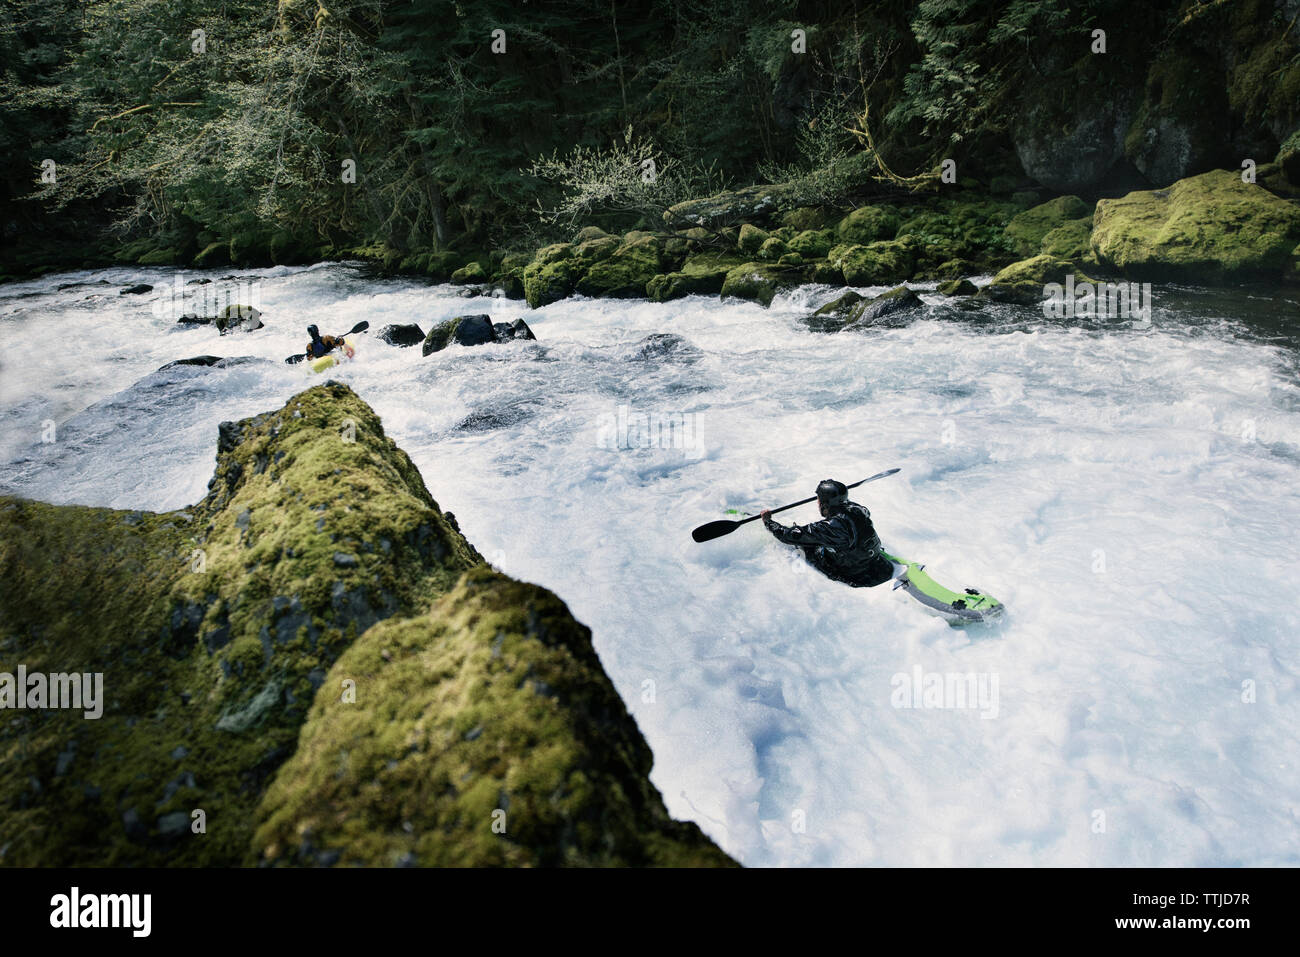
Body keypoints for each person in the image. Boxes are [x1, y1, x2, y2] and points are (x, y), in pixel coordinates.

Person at [760, 479, 896, 587]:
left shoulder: (829, 528)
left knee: (808, 544)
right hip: (878, 565)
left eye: (818, 500)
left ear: (825, 503)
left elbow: (789, 535)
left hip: (854, 575)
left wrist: (769, 522)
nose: (817, 502)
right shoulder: (859, 510)